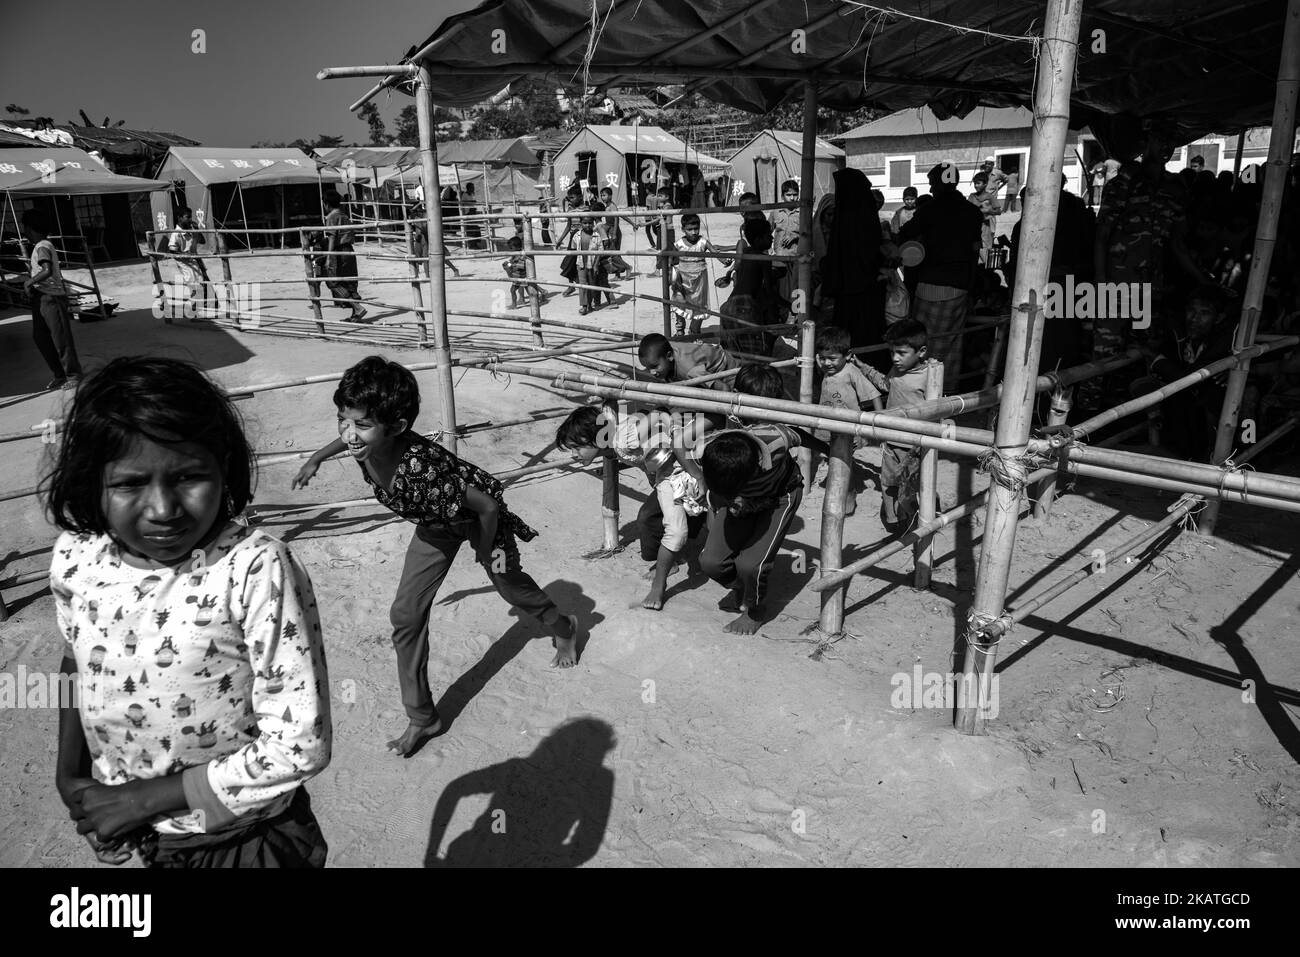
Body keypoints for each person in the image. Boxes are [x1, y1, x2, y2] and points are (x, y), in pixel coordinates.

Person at [49, 356, 331, 867]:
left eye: (189, 476)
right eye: (130, 483)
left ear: (224, 468)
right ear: (93, 482)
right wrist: (74, 775)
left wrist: (137, 800)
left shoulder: (253, 567)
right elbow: (77, 660)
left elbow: (299, 744)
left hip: (245, 838)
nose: (163, 509)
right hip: (144, 833)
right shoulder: (76, 556)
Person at [292, 357, 579, 756]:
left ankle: (564, 626)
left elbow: (488, 508)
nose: (349, 434)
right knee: (405, 615)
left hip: (482, 523)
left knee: (511, 587)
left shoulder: (418, 468)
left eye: (360, 426)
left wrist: (485, 549)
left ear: (397, 428)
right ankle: (424, 718)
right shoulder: (368, 439)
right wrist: (317, 457)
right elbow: (352, 433)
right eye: (343, 420)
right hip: (435, 526)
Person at [683, 372, 822, 635]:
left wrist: (833, 449)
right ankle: (743, 585)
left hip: (780, 496)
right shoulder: (710, 450)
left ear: (750, 473)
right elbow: (682, 447)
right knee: (711, 562)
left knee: (751, 565)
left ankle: (754, 610)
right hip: (739, 500)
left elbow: (799, 435)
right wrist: (711, 492)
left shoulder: (775, 440)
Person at [1080, 128, 1206, 416]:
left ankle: (1132, 420)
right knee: (1102, 357)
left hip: (1149, 290)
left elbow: (1177, 244)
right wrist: (1101, 284)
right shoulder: (1125, 180)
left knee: (1142, 355)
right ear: (1145, 142)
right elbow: (1102, 234)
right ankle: (1084, 422)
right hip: (1115, 285)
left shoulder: (1175, 188)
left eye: (1171, 142)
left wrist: (1205, 281)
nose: (1166, 147)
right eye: (1161, 139)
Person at [555, 405, 708, 610]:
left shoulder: (623, 438)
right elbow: (645, 460)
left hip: (687, 463)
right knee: (669, 525)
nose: (574, 454)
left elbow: (657, 413)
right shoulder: (612, 450)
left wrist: (673, 429)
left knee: (678, 531)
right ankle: (668, 566)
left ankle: (658, 585)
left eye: (577, 447)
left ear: (595, 436)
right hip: (668, 476)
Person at [897, 162, 983, 392]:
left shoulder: (930, 210)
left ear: (940, 183)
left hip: (930, 285)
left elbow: (904, 235)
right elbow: (975, 252)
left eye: (932, 184)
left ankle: (921, 392)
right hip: (960, 287)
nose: (931, 189)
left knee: (924, 342)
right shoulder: (972, 212)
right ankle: (947, 393)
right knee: (952, 343)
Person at [856, 320, 935, 534]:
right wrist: (863, 367)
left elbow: (937, 412)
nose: (895, 358)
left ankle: (920, 523)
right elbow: (885, 385)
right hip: (891, 441)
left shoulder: (931, 376)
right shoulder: (897, 370)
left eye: (901, 352)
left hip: (915, 445)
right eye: (892, 352)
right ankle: (896, 526)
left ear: (922, 351)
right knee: (889, 483)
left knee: (912, 487)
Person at [813, 325, 884, 516]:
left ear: (847, 355)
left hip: (847, 429)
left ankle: (849, 497)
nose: (827, 363)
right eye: (822, 358)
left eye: (832, 358)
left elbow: (873, 393)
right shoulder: (828, 370)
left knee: (844, 464)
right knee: (834, 459)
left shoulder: (851, 372)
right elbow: (823, 361)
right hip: (829, 427)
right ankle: (842, 494)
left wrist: (881, 422)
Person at [22, 209, 82, 390]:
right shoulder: (39, 246)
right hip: (40, 297)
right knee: (40, 337)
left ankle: (73, 374)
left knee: (60, 337)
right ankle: (59, 374)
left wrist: (29, 283)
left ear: (31, 228)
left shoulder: (42, 246)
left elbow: (46, 270)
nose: (24, 232)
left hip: (52, 297)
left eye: (25, 228)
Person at [671, 213, 727, 336]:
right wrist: (672, 278)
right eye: (690, 229)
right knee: (678, 302)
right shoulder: (678, 244)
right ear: (683, 229)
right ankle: (679, 330)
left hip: (699, 279)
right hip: (682, 278)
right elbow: (672, 261)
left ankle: (694, 332)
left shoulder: (703, 242)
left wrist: (724, 260)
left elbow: (715, 253)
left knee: (700, 306)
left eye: (696, 228)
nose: (694, 232)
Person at [638, 332, 740, 394]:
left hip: (728, 371)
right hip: (703, 368)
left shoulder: (690, 370)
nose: (652, 372)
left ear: (669, 356)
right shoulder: (664, 349)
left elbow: (724, 388)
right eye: (647, 368)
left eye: (654, 366)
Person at [323, 192, 370, 323]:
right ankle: (356, 313)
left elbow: (332, 237)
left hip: (339, 251)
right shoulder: (344, 215)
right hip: (349, 250)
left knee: (333, 282)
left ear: (326, 204)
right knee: (350, 282)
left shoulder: (332, 217)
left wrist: (329, 256)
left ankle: (357, 307)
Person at [168, 209, 210, 316]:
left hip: (195, 259)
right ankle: (193, 311)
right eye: (187, 217)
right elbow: (172, 249)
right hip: (184, 261)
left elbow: (202, 241)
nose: (190, 219)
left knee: (202, 280)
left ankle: (200, 306)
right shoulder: (176, 233)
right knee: (192, 283)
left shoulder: (190, 229)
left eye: (190, 217)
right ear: (180, 218)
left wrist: (196, 230)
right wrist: (184, 255)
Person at [768, 179, 801, 302]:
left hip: (797, 258)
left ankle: (798, 315)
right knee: (781, 290)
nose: (792, 198)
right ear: (782, 196)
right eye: (788, 195)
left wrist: (796, 236)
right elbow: (767, 231)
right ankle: (785, 315)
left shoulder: (803, 212)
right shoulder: (776, 212)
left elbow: (810, 233)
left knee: (798, 288)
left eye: (795, 194)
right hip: (780, 258)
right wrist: (769, 248)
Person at [575, 205, 612, 314]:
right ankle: (584, 305)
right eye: (585, 223)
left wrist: (596, 264)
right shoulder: (577, 235)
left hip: (592, 264)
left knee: (592, 284)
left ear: (593, 223)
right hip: (580, 264)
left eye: (590, 223)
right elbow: (574, 247)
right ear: (581, 223)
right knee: (582, 285)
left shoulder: (597, 236)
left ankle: (592, 303)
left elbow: (600, 251)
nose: (587, 225)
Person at [597, 186, 632, 278]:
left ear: (610, 196)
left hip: (614, 230)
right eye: (601, 195)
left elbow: (617, 219)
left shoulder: (612, 206)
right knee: (615, 253)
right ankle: (618, 274)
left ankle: (628, 267)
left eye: (604, 195)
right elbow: (622, 215)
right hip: (609, 229)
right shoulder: (607, 206)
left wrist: (615, 233)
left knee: (614, 253)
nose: (602, 197)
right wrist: (633, 223)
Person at [968, 172, 1003, 264]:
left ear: (985, 184)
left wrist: (988, 211)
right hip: (973, 226)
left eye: (978, 183)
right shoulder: (972, 196)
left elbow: (999, 211)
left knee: (986, 246)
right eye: (975, 183)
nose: (976, 185)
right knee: (975, 247)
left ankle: (989, 268)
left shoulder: (989, 197)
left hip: (985, 225)